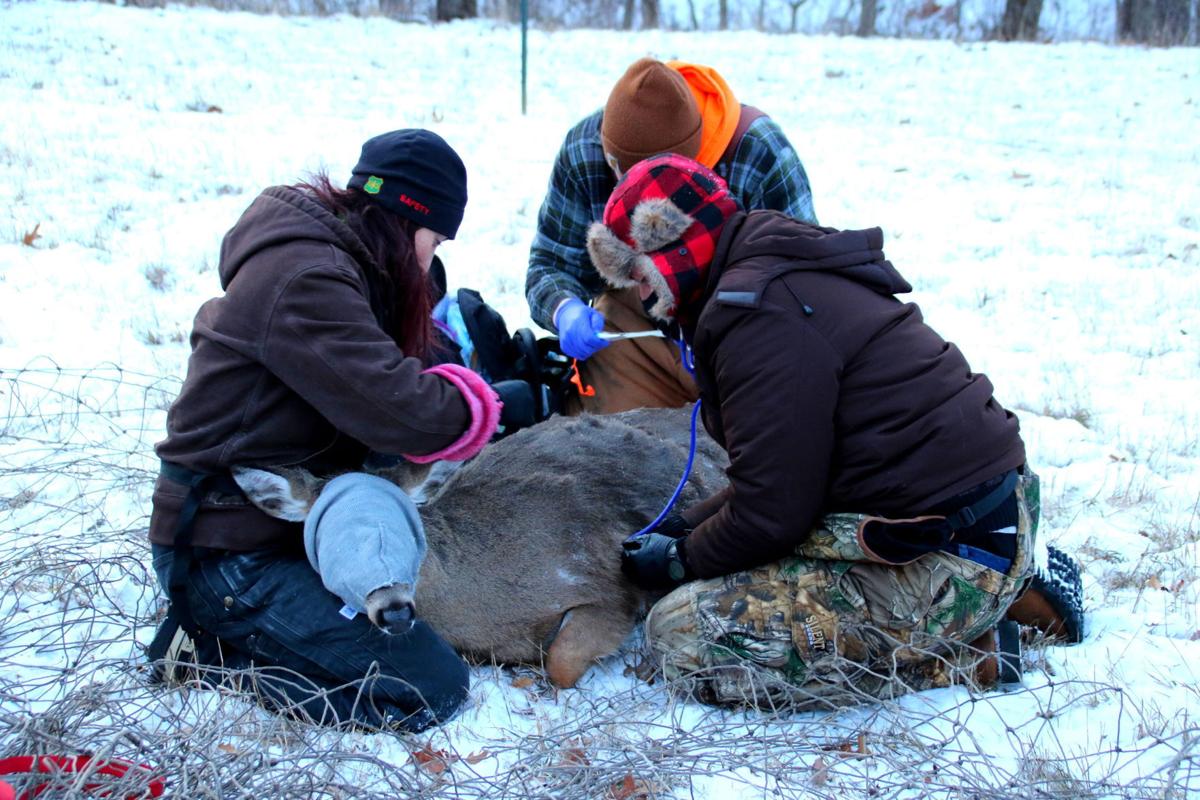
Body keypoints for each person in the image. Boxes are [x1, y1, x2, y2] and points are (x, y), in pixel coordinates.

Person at [589, 154, 1084, 710]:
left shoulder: (758, 317)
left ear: (675, 246)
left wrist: (680, 561)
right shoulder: (772, 269)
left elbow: (773, 513)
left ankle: (975, 651)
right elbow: (783, 474)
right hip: (968, 517)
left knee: (682, 633)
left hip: (946, 548)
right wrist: (684, 528)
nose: (635, 287)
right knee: (738, 568)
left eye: (637, 267)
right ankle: (1000, 590)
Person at [147, 129, 516, 732]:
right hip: (226, 554)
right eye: (435, 240)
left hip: (285, 531)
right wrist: (481, 407)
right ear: (407, 217)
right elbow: (396, 409)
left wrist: (474, 372)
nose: (431, 259)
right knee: (428, 688)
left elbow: (397, 359)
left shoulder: (344, 263)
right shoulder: (305, 279)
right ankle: (208, 657)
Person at [526, 57, 818, 414]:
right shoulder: (585, 151)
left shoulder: (758, 152)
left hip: (740, 341)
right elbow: (550, 263)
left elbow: (804, 282)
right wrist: (563, 308)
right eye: (622, 177)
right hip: (634, 344)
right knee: (611, 453)